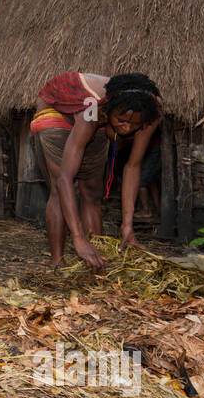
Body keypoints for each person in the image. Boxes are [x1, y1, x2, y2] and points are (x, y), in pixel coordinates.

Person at [31, 72, 162, 273]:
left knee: (92, 191)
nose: (127, 128)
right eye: (121, 120)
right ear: (109, 110)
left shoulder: (151, 112)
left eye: (134, 124)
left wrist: (127, 226)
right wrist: (78, 238)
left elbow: (133, 166)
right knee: (59, 188)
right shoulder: (93, 108)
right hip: (56, 111)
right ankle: (57, 263)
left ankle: (96, 259)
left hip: (97, 120)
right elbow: (65, 178)